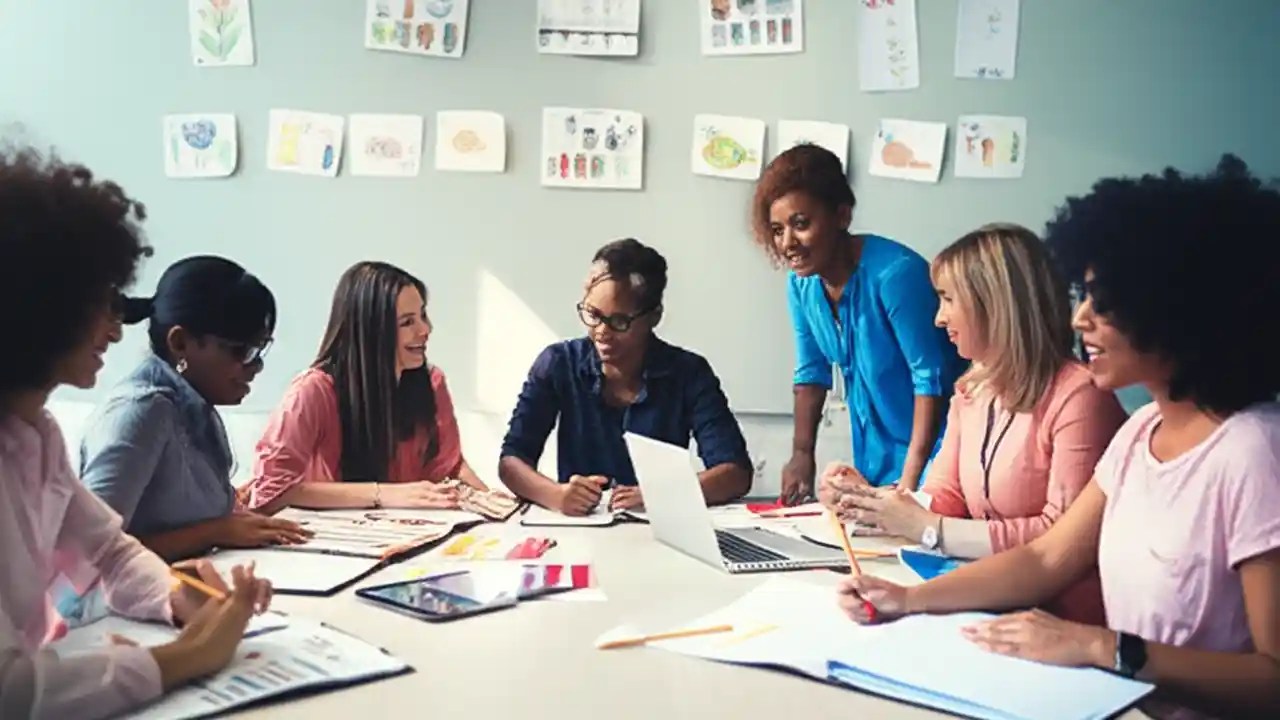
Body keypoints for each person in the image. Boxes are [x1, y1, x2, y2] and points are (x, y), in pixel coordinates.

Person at [837, 156, 1280, 719]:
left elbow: (1273, 678)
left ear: (1183, 308)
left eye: (1106, 301)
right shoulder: (1143, 430)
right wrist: (905, 598)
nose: (1078, 319)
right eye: (1084, 296)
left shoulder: (1256, 451)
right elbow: (1047, 558)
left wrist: (1102, 647)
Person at [0, 145, 273, 719]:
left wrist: (186, 602)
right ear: (36, 307)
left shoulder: (36, 435)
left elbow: (111, 549)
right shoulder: (131, 411)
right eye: (100, 304)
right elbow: (11, 691)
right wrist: (185, 656)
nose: (116, 331)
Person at [822, 223, 1127, 626]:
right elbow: (945, 497)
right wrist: (873, 503)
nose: (937, 318)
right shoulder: (972, 390)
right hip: (990, 603)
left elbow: (1058, 538)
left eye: (948, 299)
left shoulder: (1081, 396)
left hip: (1064, 620)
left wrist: (932, 530)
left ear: (996, 304)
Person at [751, 144, 966, 503]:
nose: (788, 243)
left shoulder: (896, 275)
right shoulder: (801, 283)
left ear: (842, 215)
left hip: (939, 460)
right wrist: (802, 454)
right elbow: (811, 371)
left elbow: (929, 378)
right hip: (875, 461)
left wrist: (910, 483)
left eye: (801, 224)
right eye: (777, 229)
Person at [79, 256, 310, 561]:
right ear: (180, 343)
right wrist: (215, 531)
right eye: (243, 350)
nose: (256, 366)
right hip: (119, 606)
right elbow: (89, 554)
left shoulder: (195, 404)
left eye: (261, 348)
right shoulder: (139, 413)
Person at [499, 239, 752, 516]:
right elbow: (511, 461)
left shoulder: (688, 373)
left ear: (654, 317)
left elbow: (735, 473)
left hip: (658, 531)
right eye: (593, 315)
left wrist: (660, 495)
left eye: (619, 322)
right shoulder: (558, 363)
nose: (601, 332)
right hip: (581, 530)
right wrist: (556, 496)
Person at [246, 261, 488, 513]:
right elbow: (269, 492)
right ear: (371, 331)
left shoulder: (432, 382)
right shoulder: (312, 391)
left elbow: (447, 468)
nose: (425, 330)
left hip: (414, 533)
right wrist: (381, 493)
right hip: (333, 541)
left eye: (423, 316)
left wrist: (499, 509)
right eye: (407, 322)